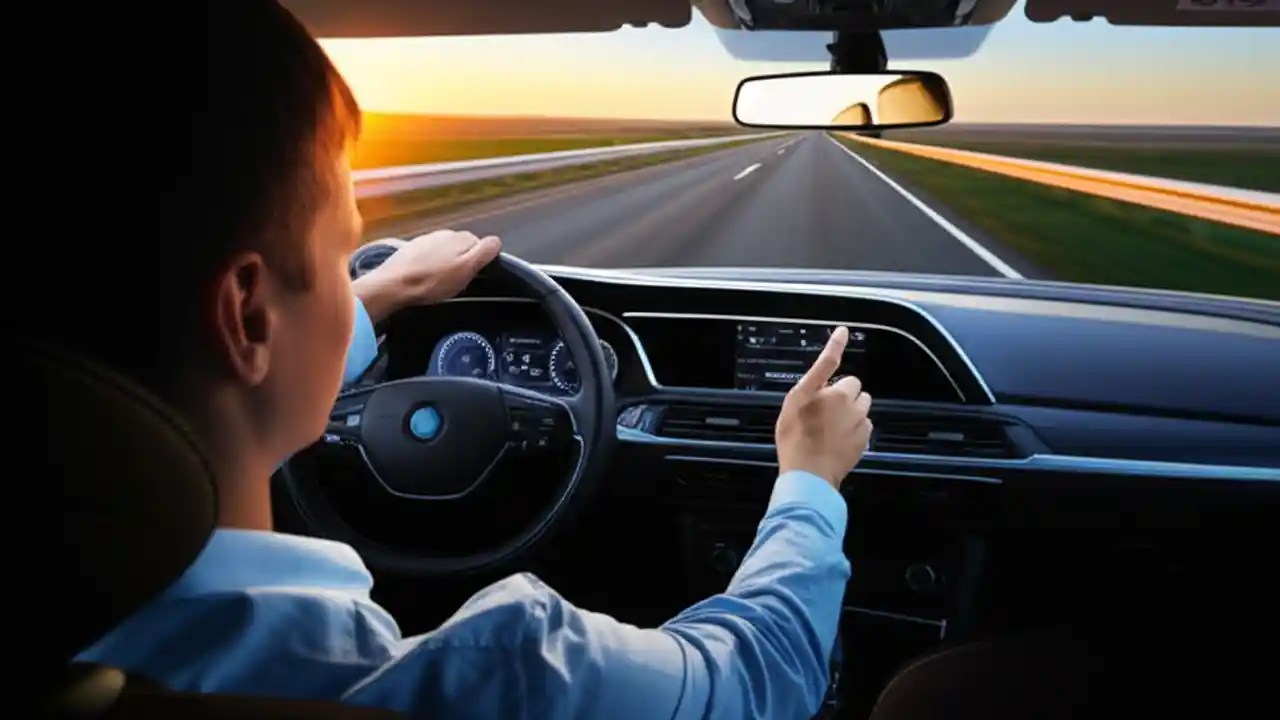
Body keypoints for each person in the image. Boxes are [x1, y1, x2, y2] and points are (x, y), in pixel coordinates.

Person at [72, 2, 873, 718]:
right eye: (342, 256)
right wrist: (810, 478)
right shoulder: (506, 676)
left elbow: (229, 372)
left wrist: (381, 292)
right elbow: (757, 680)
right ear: (247, 315)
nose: (353, 285)